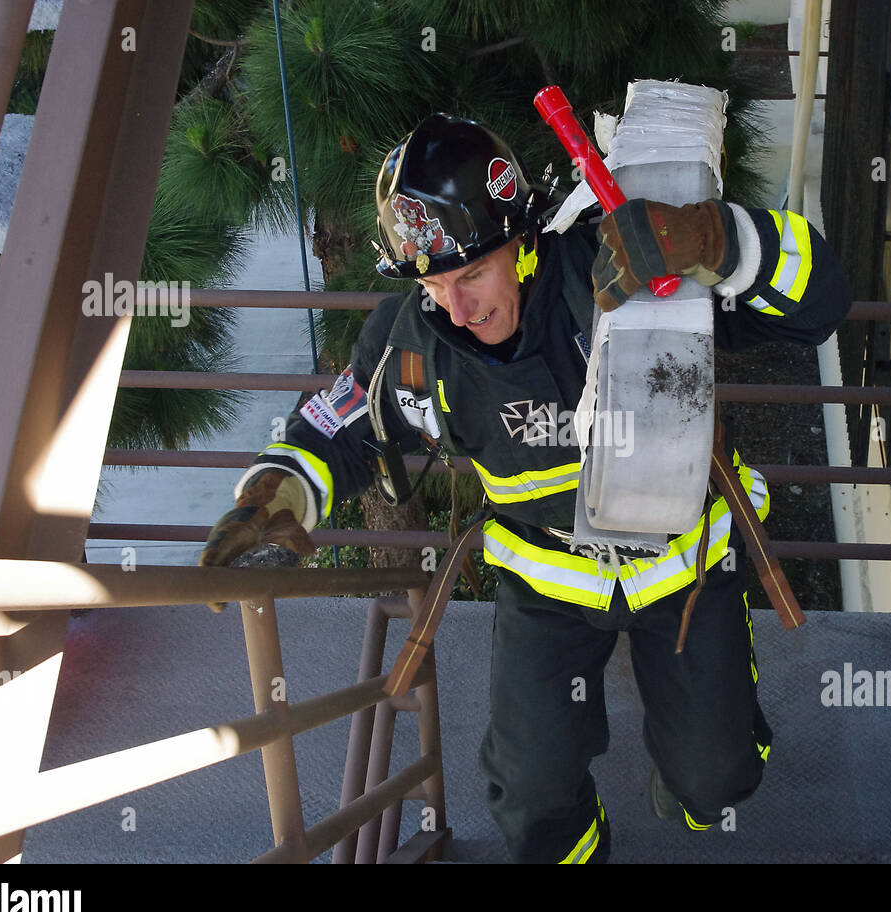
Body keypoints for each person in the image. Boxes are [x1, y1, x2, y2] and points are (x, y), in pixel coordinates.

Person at [200, 113, 851, 863]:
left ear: (523, 240)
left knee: (718, 781)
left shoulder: (622, 272)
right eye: (434, 284)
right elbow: (334, 428)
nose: (457, 308)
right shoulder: (412, 342)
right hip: (546, 578)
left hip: (685, 562)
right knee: (533, 803)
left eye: (473, 274)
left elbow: (822, 302)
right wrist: (272, 495)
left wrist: (719, 241)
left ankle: (696, 780)